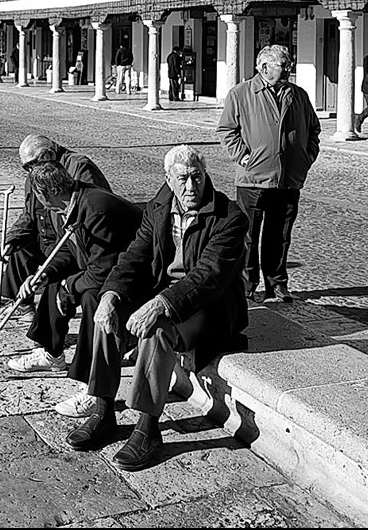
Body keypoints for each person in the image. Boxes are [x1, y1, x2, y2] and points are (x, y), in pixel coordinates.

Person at [66, 145, 248, 471]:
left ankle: (148, 427)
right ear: (168, 178)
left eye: (197, 177)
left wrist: (159, 304)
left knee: (157, 328)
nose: (191, 187)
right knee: (102, 306)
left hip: (208, 308)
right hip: (164, 294)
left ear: (206, 175)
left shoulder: (230, 217)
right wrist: (111, 293)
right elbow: (135, 255)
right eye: (183, 179)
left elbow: (209, 276)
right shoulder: (159, 206)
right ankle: (103, 409)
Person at [5, 162, 142, 415]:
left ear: (49, 192)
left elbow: (103, 270)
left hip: (135, 275)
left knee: (93, 298)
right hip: (105, 269)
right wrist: (43, 273)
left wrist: (69, 288)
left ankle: (93, 388)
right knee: (53, 281)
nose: (36, 201)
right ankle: (51, 351)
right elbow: (68, 250)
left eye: (37, 194)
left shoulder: (95, 209)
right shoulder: (68, 205)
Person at [216, 44, 321, 303]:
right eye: (283, 65)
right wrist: (243, 156)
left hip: (288, 179)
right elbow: (227, 130)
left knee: (280, 236)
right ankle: (247, 285)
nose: (289, 69)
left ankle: (277, 284)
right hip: (253, 179)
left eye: (289, 64)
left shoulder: (298, 95)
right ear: (264, 67)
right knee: (248, 235)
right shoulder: (241, 94)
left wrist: (305, 159)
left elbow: (314, 130)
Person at [1, 134, 111, 311]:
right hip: (44, 234)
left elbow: (90, 207)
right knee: (18, 248)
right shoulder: (34, 176)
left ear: (48, 155)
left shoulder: (78, 166)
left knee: (54, 275)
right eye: (25, 167)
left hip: (68, 239)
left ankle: (45, 322)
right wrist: (11, 239)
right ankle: (20, 303)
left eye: (31, 165)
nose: (29, 171)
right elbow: (29, 215)